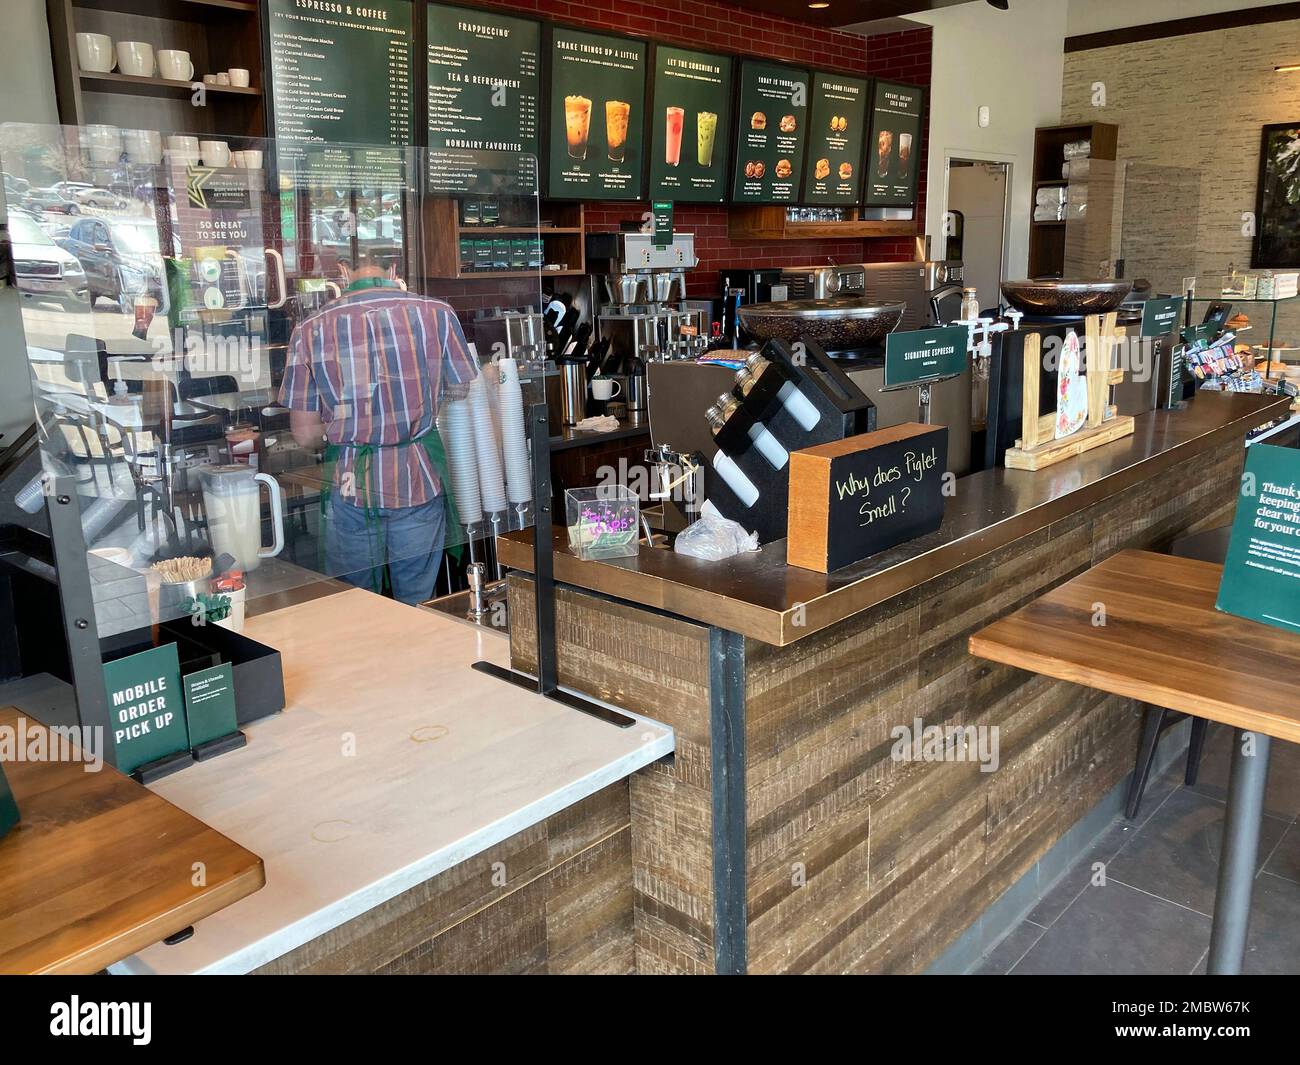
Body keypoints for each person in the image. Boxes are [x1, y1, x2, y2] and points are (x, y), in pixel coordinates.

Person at [279, 255, 477, 605]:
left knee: (356, 605)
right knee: (418, 603)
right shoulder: (437, 313)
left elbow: (305, 434)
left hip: (351, 485)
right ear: (394, 271)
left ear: (342, 271)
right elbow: (461, 388)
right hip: (416, 481)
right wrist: (420, 405)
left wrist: (343, 428)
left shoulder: (309, 329)